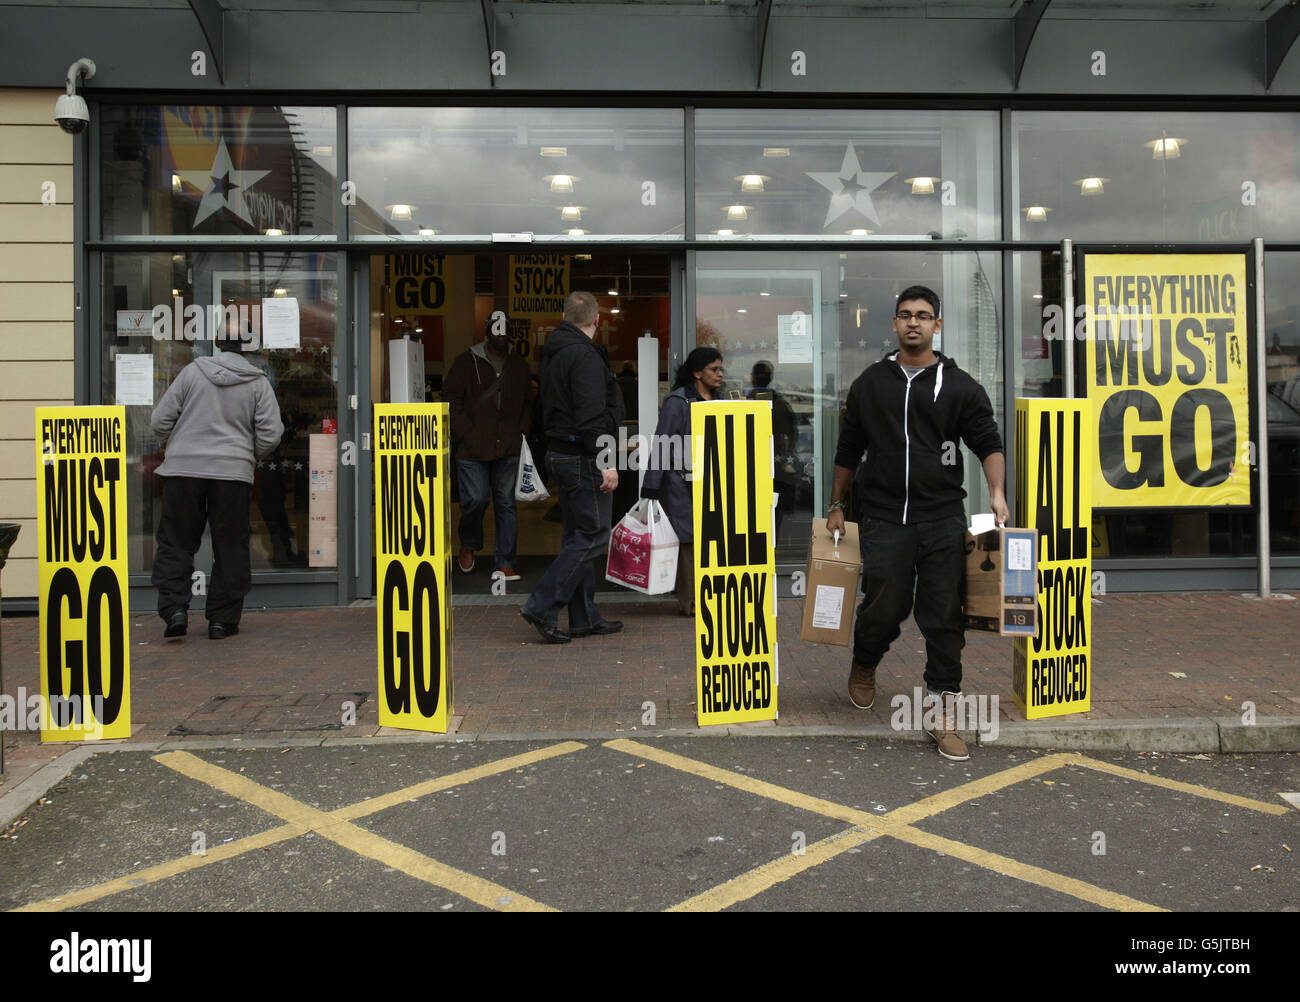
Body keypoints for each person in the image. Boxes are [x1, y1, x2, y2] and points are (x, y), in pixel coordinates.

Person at [826, 285, 1008, 761]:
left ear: (937, 326)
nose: (914, 322)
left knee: (944, 614)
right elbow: (848, 450)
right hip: (884, 517)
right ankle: (865, 662)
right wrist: (836, 503)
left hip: (942, 517)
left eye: (923, 316)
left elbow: (987, 442)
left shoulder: (961, 385)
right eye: (905, 315)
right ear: (894, 323)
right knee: (886, 606)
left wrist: (997, 493)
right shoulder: (871, 383)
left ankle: (942, 711)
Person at [149, 317, 283, 640]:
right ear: (249, 346)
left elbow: (159, 420)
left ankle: (175, 610)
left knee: (177, 541)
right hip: (232, 474)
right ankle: (222, 621)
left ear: (217, 342)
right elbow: (272, 433)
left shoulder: (193, 373)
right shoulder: (258, 382)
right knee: (230, 544)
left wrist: (175, 442)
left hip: (183, 471)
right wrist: (247, 453)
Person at [520, 291, 623, 644]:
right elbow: (591, 415)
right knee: (594, 535)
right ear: (597, 321)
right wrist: (606, 460)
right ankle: (541, 605)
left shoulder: (555, 352)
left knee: (577, 536)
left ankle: (583, 617)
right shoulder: (585, 356)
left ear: (565, 317)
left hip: (561, 453)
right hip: (583, 456)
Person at [442, 311, 531, 580]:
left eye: (505, 329)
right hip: (472, 450)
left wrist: (521, 431)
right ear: (488, 332)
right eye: (496, 328)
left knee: (506, 505)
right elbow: (451, 398)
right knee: (475, 501)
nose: (501, 333)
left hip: (509, 448)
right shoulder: (466, 362)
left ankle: (504, 562)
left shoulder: (519, 365)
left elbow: (528, 402)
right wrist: (466, 432)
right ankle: (468, 544)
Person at [639, 347, 724, 616]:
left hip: (714, 482)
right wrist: (652, 486)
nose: (720, 374)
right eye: (714, 369)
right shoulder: (678, 402)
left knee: (712, 539)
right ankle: (691, 603)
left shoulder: (721, 400)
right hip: (681, 483)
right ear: (697, 372)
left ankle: (711, 598)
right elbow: (662, 443)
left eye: (721, 369)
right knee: (688, 541)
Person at [748, 359, 798, 541]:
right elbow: (791, 436)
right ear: (770, 378)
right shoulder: (780, 405)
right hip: (775, 471)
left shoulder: (745, 403)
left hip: (750, 472)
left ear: (752, 379)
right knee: (774, 523)